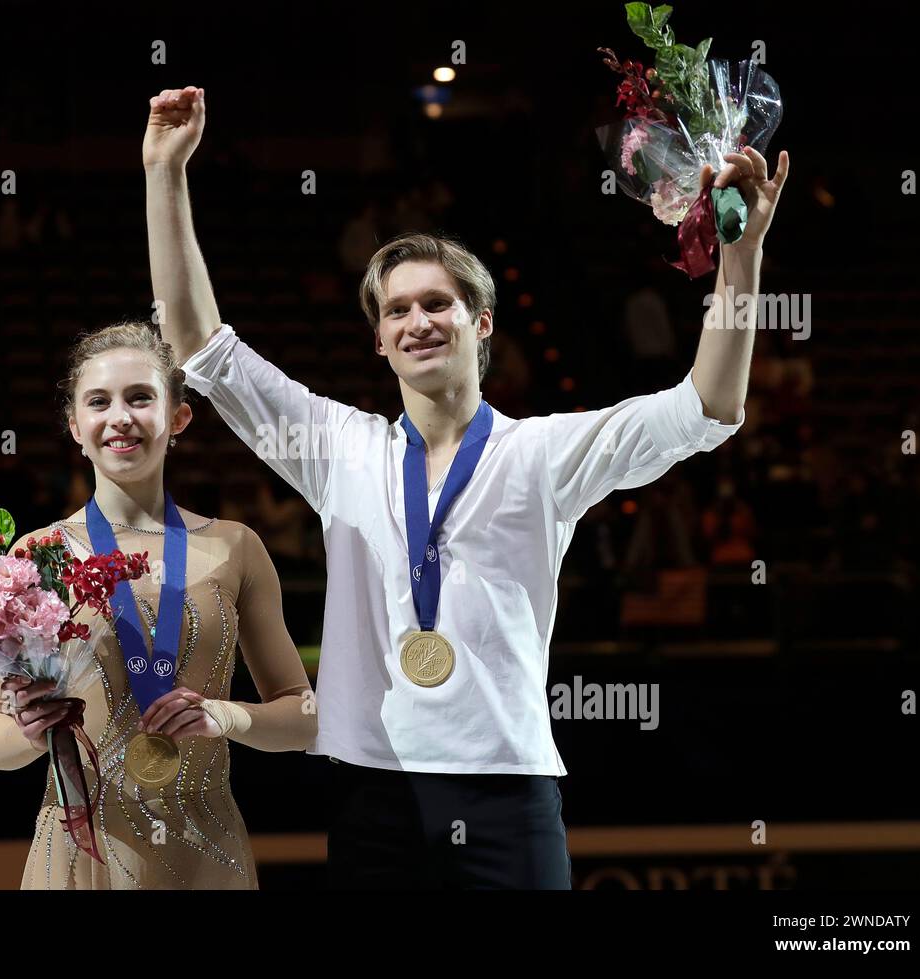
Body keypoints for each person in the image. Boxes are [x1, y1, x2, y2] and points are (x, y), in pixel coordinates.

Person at [144, 86, 788, 888]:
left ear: (481, 323)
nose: (419, 320)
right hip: (370, 794)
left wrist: (742, 252)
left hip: (506, 794)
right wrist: (163, 173)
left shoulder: (544, 453)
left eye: (439, 303)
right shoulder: (334, 448)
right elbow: (198, 345)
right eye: (398, 309)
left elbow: (709, 406)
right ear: (379, 341)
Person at [0, 321, 316, 889]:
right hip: (79, 853)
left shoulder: (236, 547)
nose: (120, 417)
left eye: (140, 397)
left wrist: (226, 715)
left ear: (178, 418)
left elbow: (304, 719)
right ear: (74, 425)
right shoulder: (39, 553)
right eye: (98, 402)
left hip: (207, 850)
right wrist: (33, 733)